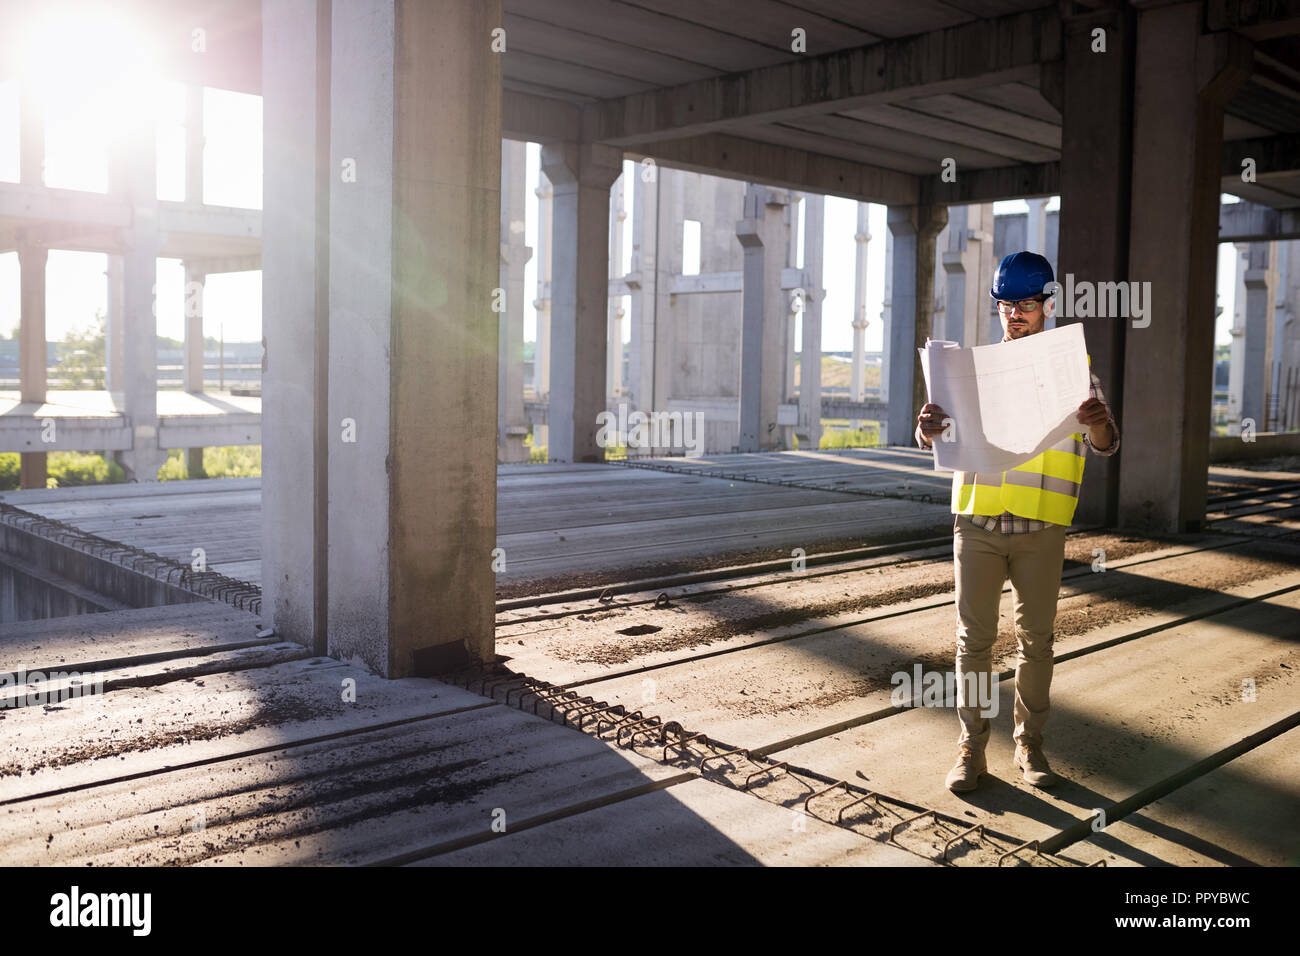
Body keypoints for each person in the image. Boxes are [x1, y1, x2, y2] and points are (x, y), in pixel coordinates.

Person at [914, 251, 1119, 792]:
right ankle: (971, 749)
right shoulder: (971, 371)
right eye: (1005, 305)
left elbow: (1105, 444)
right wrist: (928, 428)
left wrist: (1097, 424)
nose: (1014, 315)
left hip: (1040, 527)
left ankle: (1030, 746)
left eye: (1025, 305)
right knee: (972, 644)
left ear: (1047, 306)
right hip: (977, 522)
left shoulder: (1077, 373)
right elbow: (935, 437)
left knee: (1036, 643)